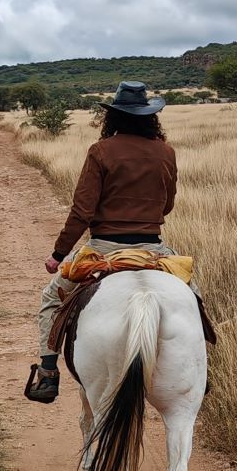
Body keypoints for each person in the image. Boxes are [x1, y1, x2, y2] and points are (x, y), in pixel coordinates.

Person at [25, 80, 178, 403]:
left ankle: (48, 372)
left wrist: (58, 254)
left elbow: (82, 211)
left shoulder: (100, 151)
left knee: (52, 297)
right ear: (151, 116)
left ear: (113, 117)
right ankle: (198, 369)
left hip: (104, 248)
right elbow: (167, 205)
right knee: (192, 296)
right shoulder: (166, 152)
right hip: (153, 248)